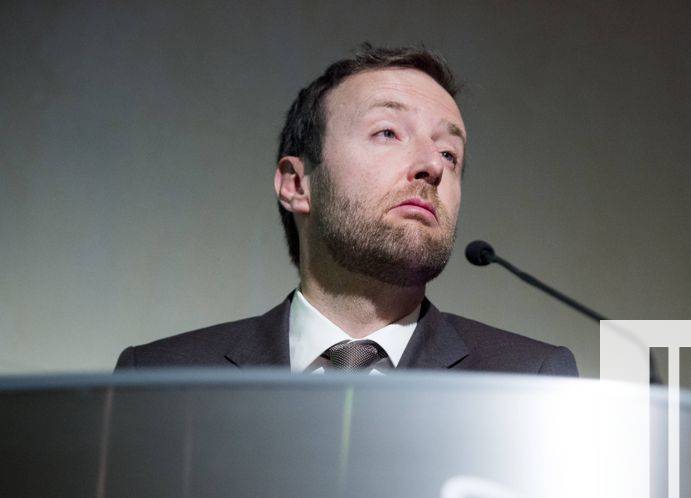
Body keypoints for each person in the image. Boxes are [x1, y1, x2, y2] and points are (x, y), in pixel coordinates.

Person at [115, 44, 577, 376]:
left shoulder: (527, 379)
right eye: (389, 133)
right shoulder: (161, 376)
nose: (432, 165)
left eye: (450, 153)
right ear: (297, 184)